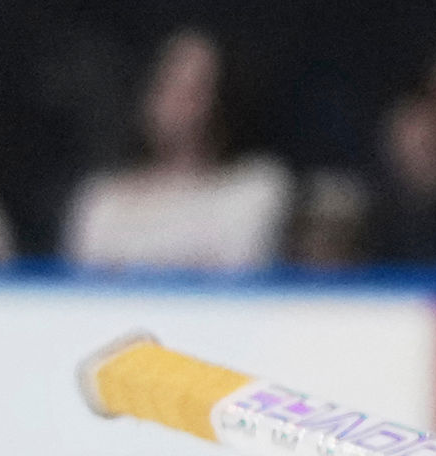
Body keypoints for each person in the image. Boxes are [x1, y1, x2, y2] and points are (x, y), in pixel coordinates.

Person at [60, 29, 294, 273]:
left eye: (196, 89)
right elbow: (84, 288)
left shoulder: (255, 187)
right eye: (168, 84)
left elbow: (239, 266)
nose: (179, 103)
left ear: (223, 97)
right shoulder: (102, 198)